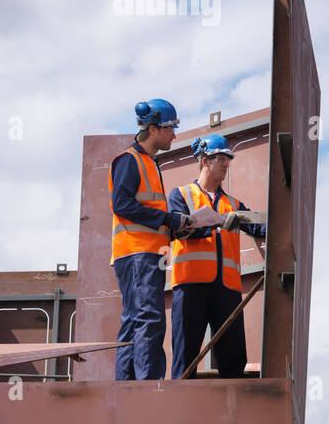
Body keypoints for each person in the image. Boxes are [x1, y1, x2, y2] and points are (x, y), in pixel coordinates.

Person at [108, 98, 212, 380]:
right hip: (137, 253)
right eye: (171, 128)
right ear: (153, 129)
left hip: (143, 254)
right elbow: (122, 205)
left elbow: (146, 210)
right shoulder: (130, 161)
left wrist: (179, 225)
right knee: (149, 318)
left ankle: (128, 387)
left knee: (135, 320)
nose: (175, 135)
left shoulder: (149, 164)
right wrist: (168, 219)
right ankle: (147, 388)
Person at [166, 134, 266, 379]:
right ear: (203, 160)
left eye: (228, 158)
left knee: (233, 359)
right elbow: (177, 229)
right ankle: (180, 408)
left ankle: (232, 410)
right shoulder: (181, 195)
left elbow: (258, 227)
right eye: (220, 157)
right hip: (191, 286)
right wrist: (217, 223)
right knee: (185, 356)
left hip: (227, 289)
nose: (226, 163)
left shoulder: (234, 204)